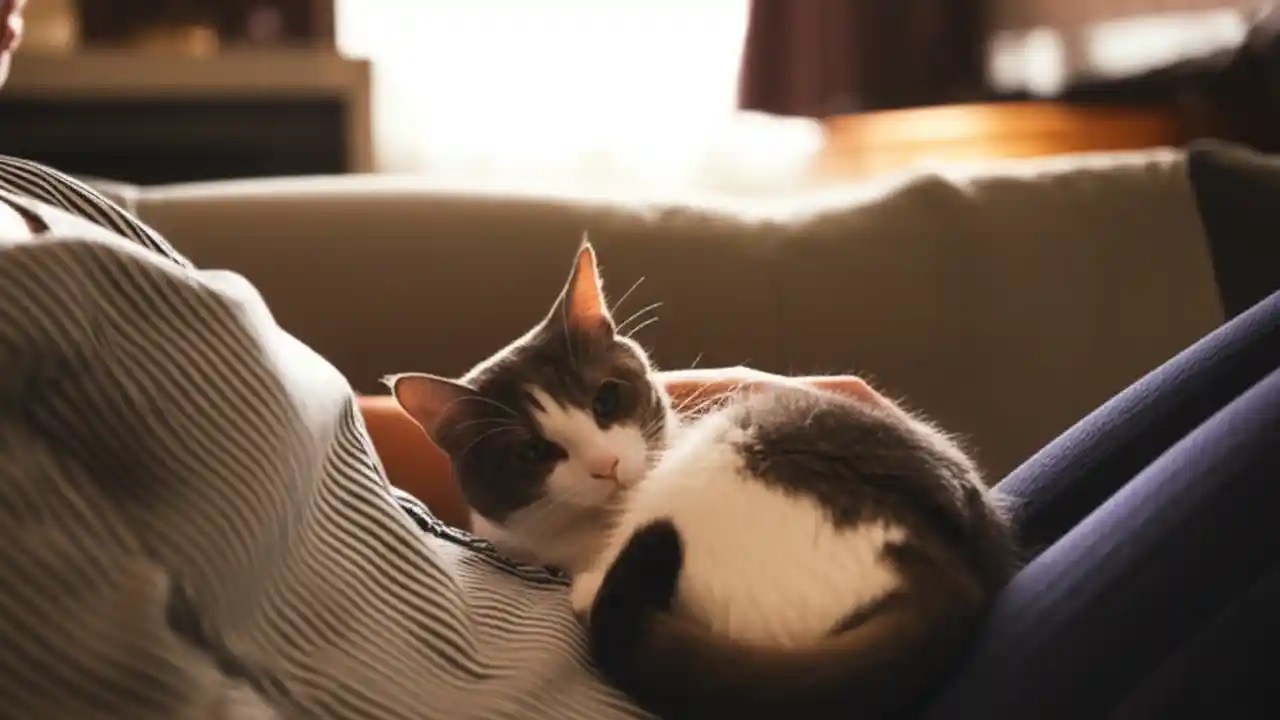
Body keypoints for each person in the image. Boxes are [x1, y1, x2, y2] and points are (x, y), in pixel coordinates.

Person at [2, 2, 1277, 717]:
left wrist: (709, 401)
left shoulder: (40, 193)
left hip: (662, 595)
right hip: (682, 688)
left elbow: (337, 454)